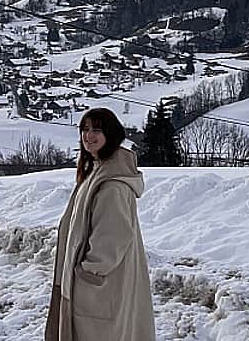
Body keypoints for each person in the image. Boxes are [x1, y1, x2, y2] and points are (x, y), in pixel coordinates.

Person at [46, 107, 155, 341]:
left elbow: (111, 241)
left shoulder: (112, 186)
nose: (89, 136)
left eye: (97, 130)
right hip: (96, 288)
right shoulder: (97, 172)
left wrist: (87, 273)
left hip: (100, 289)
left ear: (111, 134)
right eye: (85, 129)